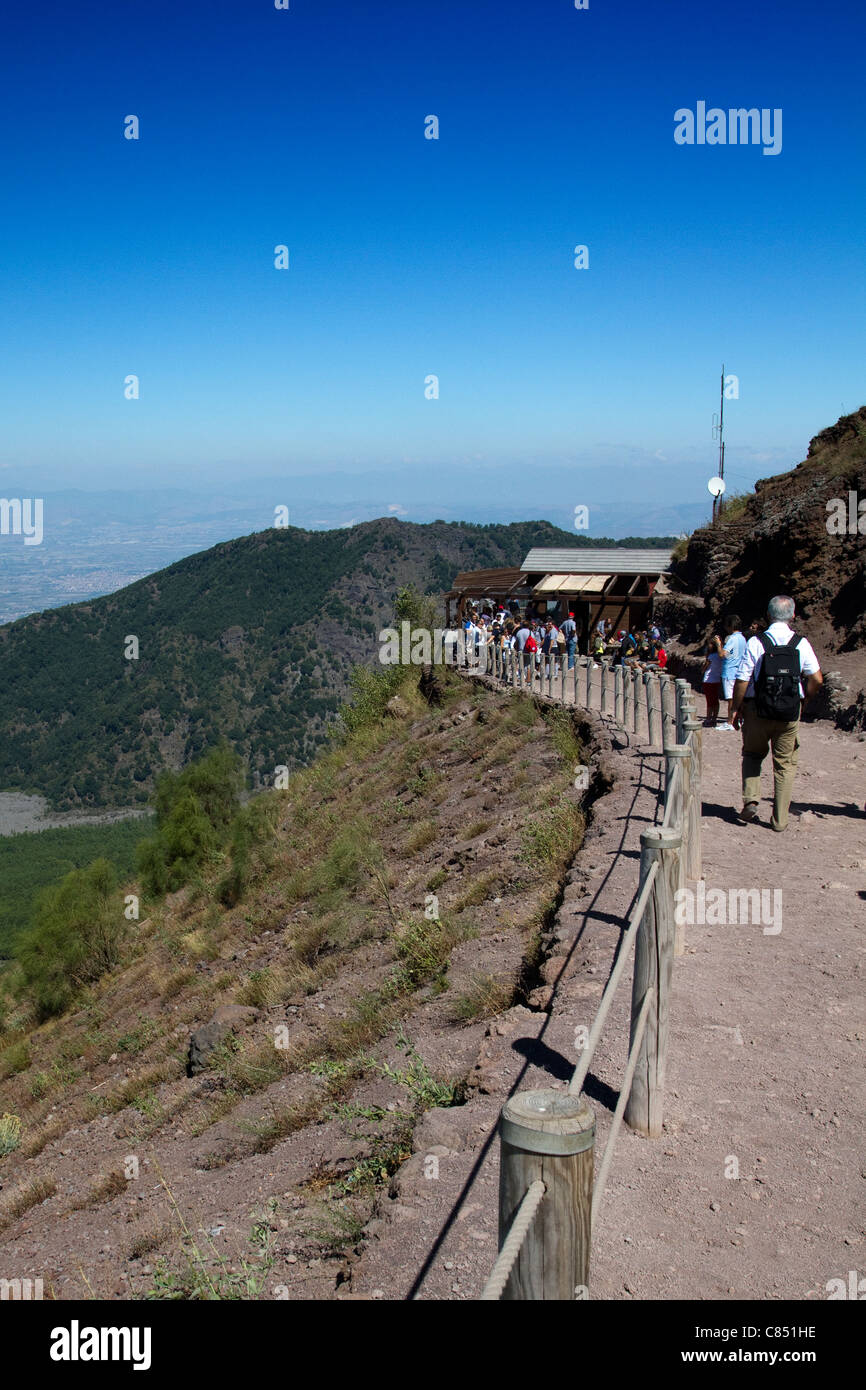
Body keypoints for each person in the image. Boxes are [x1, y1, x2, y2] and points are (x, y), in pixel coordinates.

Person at [729, 595, 823, 831]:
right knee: (785, 765)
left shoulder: (756, 642)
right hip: (789, 713)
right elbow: (816, 678)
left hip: (756, 709)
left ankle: (751, 799)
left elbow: (742, 680)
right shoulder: (801, 643)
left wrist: (735, 708)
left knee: (752, 755)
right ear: (793, 615)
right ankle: (780, 819)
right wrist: (805, 699)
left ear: (768, 615)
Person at [714, 613, 747, 731]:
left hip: (729, 671)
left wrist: (718, 644)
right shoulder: (742, 638)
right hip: (738, 670)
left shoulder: (733, 638)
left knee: (730, 698)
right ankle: (739, 719)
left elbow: (722, 654)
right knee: (738, 697)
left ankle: (730, 721)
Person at [701, 639, 723, 726]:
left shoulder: (711, 657)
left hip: (708, 680)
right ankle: (714, 718)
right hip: (717, 679)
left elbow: (705, 667)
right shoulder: (720, 656)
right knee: (715, 700)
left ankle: (708, 718)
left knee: (709, 701)